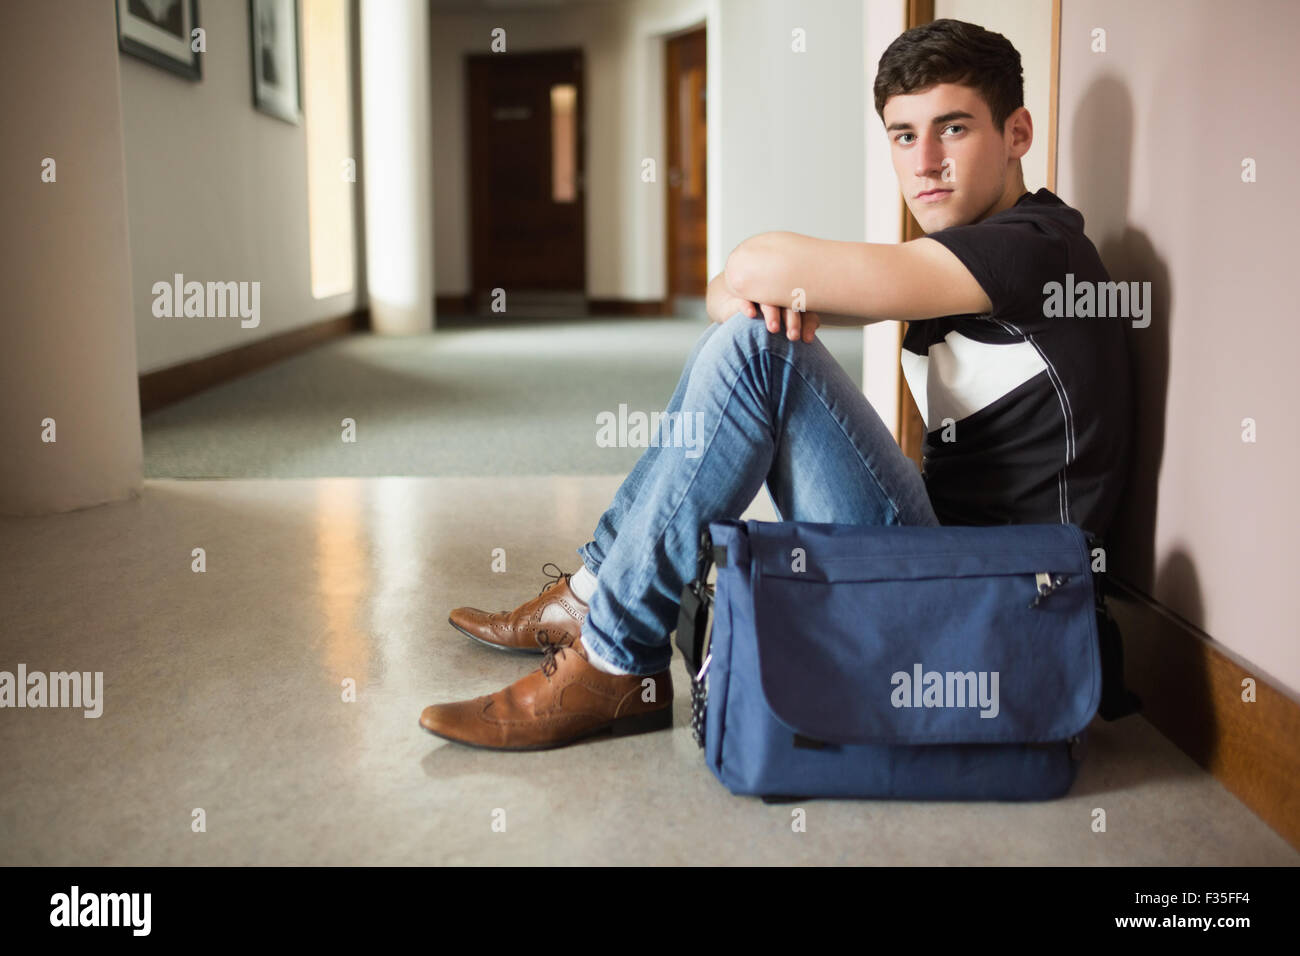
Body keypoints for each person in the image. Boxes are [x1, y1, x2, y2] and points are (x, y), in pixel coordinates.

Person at [419, 18, 1132, 751]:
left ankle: (610, 650)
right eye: (902, 135)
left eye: (953, 130)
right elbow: (722, 291)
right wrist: (758, 295)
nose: (925, 163)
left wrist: (760, 294)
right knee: (752, 339)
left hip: (995, 612)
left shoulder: (1032, 255)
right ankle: (598, 598)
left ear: (1017, 133)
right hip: (948, 573)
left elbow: (754, 271)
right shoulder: (966, 263)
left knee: (762, 350)